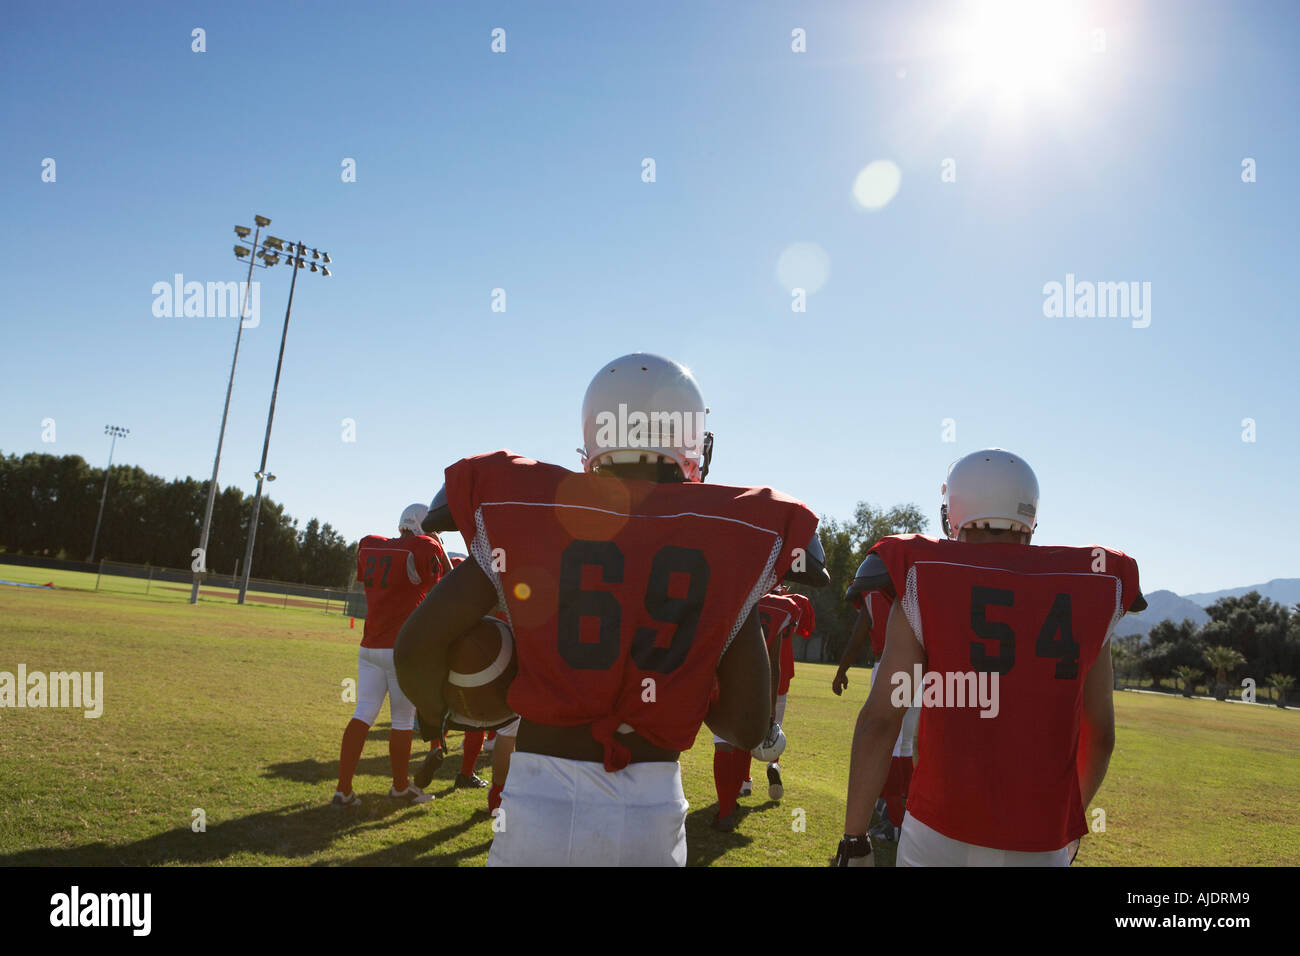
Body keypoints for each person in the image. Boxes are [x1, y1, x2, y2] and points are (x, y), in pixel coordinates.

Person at [396, 353, 827, 866]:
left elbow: (415, 648)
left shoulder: (530, 508)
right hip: (648, 813)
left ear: (595, 431)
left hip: (537, 803)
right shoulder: (731, 531)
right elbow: (748, 726)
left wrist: (438, 713)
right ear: (692, 440)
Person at [835, 449, 1145, 867]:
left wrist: (854, 838)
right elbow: (1101, 737)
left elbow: (880, 722)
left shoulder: (923, 573)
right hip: (1041, 841)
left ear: (955, 510)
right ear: (1029, 516)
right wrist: (1064, 824)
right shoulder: (1093, 585)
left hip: (937, 830)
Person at [334, 504, 451, 807]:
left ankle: (343, 790)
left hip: (369, 647)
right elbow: (443, 589)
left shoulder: (373, 546)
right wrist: (437, 544)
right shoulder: (424, 547)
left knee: (362, 714)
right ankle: (400, 787)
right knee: (401, 719)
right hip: (402, 650)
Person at [712, 588, 794, 830]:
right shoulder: (781, 607)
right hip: (757, 686)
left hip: (727, 678)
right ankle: (734, 798)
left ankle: (726, 809)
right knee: (744, 742)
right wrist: (769, 709)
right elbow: (775, 664)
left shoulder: (733, 594)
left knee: (723, 743)